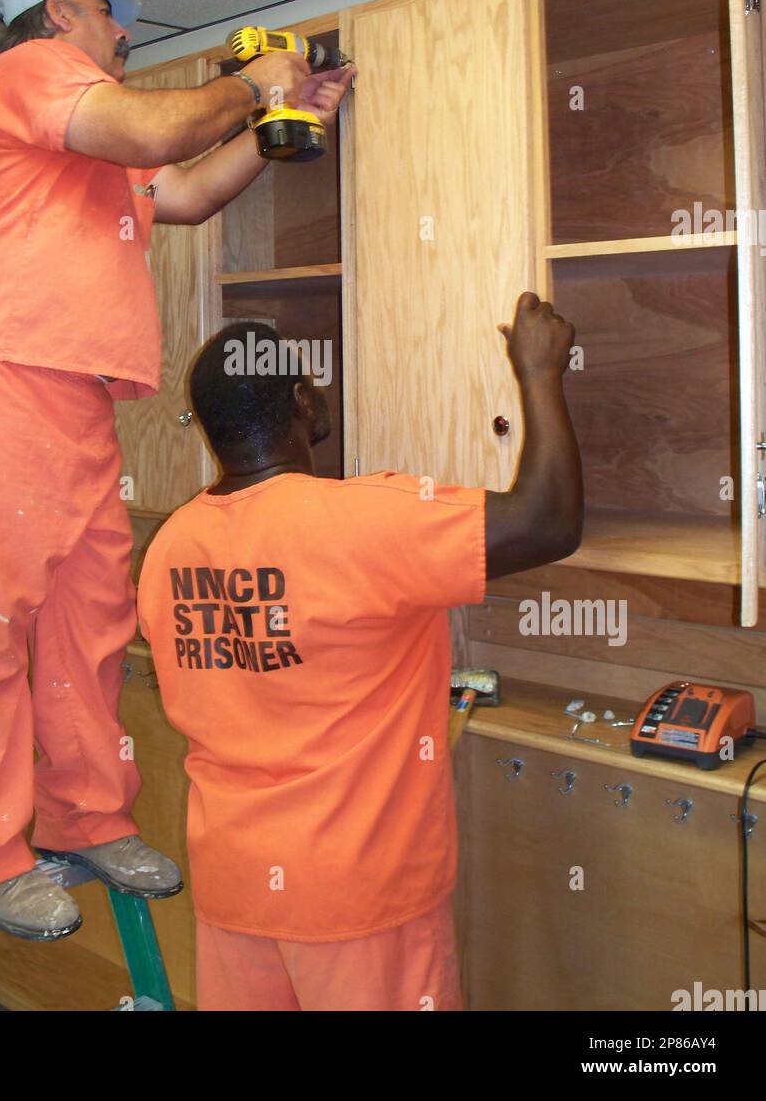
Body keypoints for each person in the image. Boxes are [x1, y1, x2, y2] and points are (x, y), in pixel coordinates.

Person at [0, 0, 355, 940]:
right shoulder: (23, 74)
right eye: (113, 22)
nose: (124, 38)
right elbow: (159, 122)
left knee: (90, 613)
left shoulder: (92, 148)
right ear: (64, 11)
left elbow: (184, 189)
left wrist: (292, 113)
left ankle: (88, 817)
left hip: (70, 387)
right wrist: (251, 83)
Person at [136, 292, 582, 1009]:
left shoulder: (170, 548)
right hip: (356, 897)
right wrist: (538, 372)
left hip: (236, 887)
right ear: (300, 404)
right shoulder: (360, 521)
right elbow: (548, 522)